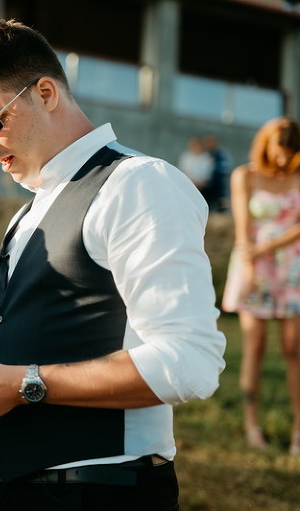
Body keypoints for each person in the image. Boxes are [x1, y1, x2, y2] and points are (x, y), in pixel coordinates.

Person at [0, 20, 226, 510]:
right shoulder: (28, 212)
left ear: (46, 93)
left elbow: (189, 362)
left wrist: (21, 384)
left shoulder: (139, 186)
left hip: (104, 491)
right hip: (16, 487)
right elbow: (64, 338)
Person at [221, 117, 300, 455]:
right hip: (253, 266)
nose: (284, 159)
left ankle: (298, 431)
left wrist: (268, 246)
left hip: (293, 267)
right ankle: (252, 425)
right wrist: (251, 269)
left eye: (290, 153)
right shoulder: (245, 175)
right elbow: (243, 229)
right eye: (279, 152)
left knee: (294, 348)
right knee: (254, 346)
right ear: (266, 145)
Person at [178, 136, 215, 207]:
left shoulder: (207, 158)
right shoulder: (186, 157)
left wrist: (200, 184)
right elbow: (183, 171)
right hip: (188, 185)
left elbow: (208, 175)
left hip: (202, 188)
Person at [203, 134, 232, 212]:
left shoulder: (221, 155)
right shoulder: (203, 155)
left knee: (221, 207)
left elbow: (225, 168)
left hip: (219, 186)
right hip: (206, 187)